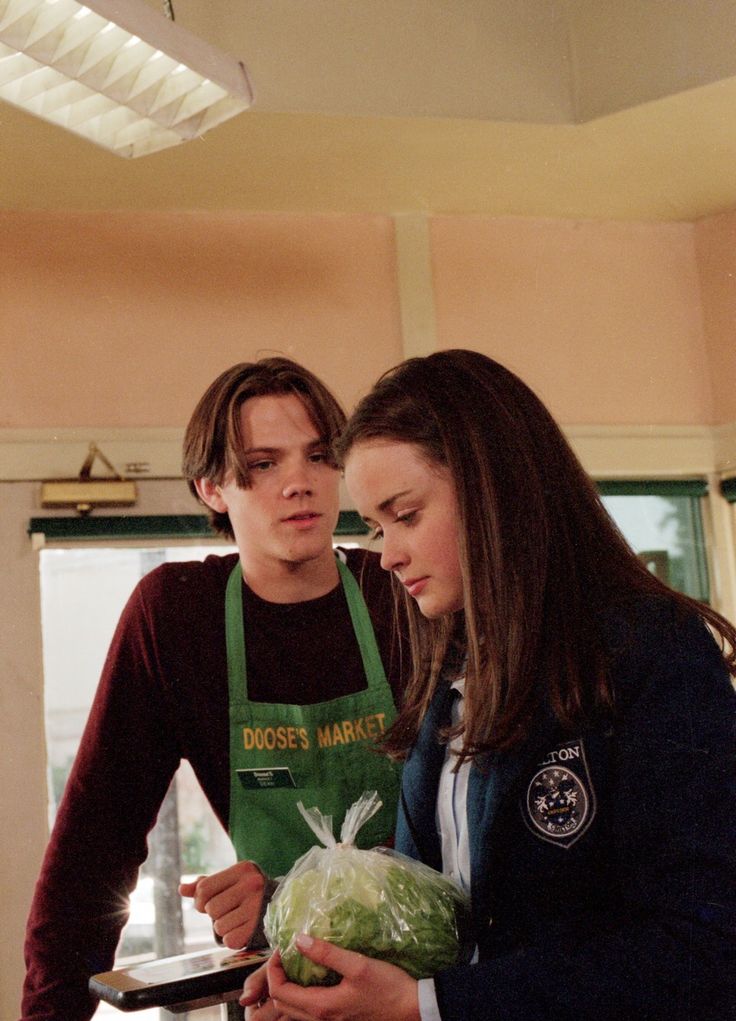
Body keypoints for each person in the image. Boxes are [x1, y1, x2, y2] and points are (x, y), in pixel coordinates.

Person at [242, 349, 736, 1021]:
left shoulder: (652, 651)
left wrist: (428, 1004)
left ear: (493, 489)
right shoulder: (446, 680)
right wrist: (326, 982)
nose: (386, 553)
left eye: (406, 514)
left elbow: (703, 949)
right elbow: (430, 930)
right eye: (377, 526)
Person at [20, 357, 405, 1021]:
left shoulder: (401, 593)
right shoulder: (177, 616)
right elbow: (90, 854)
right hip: (277, 993)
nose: (298, 484)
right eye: (263, 463)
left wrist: (281, 900)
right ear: (211, 488)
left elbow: (467, 844)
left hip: (419, 984)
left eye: (319, 456)